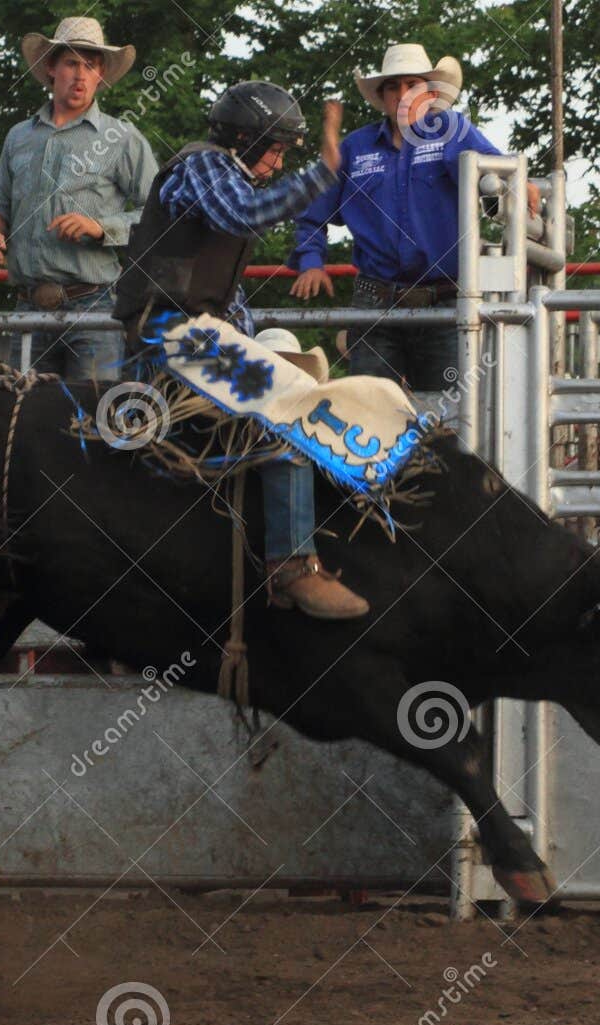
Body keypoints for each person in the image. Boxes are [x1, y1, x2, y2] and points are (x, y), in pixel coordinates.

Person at [112, 81, 368, 620]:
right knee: (288, 418)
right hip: (166, 337)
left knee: (300, 389)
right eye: (274, 149)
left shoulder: (222, 178)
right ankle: (292, 568)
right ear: (246, 139)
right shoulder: (203, 168)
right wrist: (322, 172)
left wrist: (265, 353)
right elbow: (246, 214)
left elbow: (223, 296)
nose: (277, 163)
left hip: (192, 335)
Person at [287, 43, 539, 408]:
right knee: (367, 413)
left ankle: (436, 463)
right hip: (375, 301)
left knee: (447, 416)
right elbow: (312, 211)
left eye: (412, 85)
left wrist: (519, 180)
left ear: (430, 93)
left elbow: (498, 170)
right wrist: (311, 260)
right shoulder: (356, 149)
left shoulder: (452, 131)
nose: (403, 95)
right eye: (393, 86)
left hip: (445, 301)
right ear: (383, 95)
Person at [0, 18, 157, 382]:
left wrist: (100, 227)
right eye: (72, 63)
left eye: (90, 65)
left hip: (94, 306)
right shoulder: (18, 137)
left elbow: (161, 215)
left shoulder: (122, 138)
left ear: (101, 74)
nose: (80, 75)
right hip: (28, 307)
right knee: (24, 423)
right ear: (51, 68)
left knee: (92, 418)